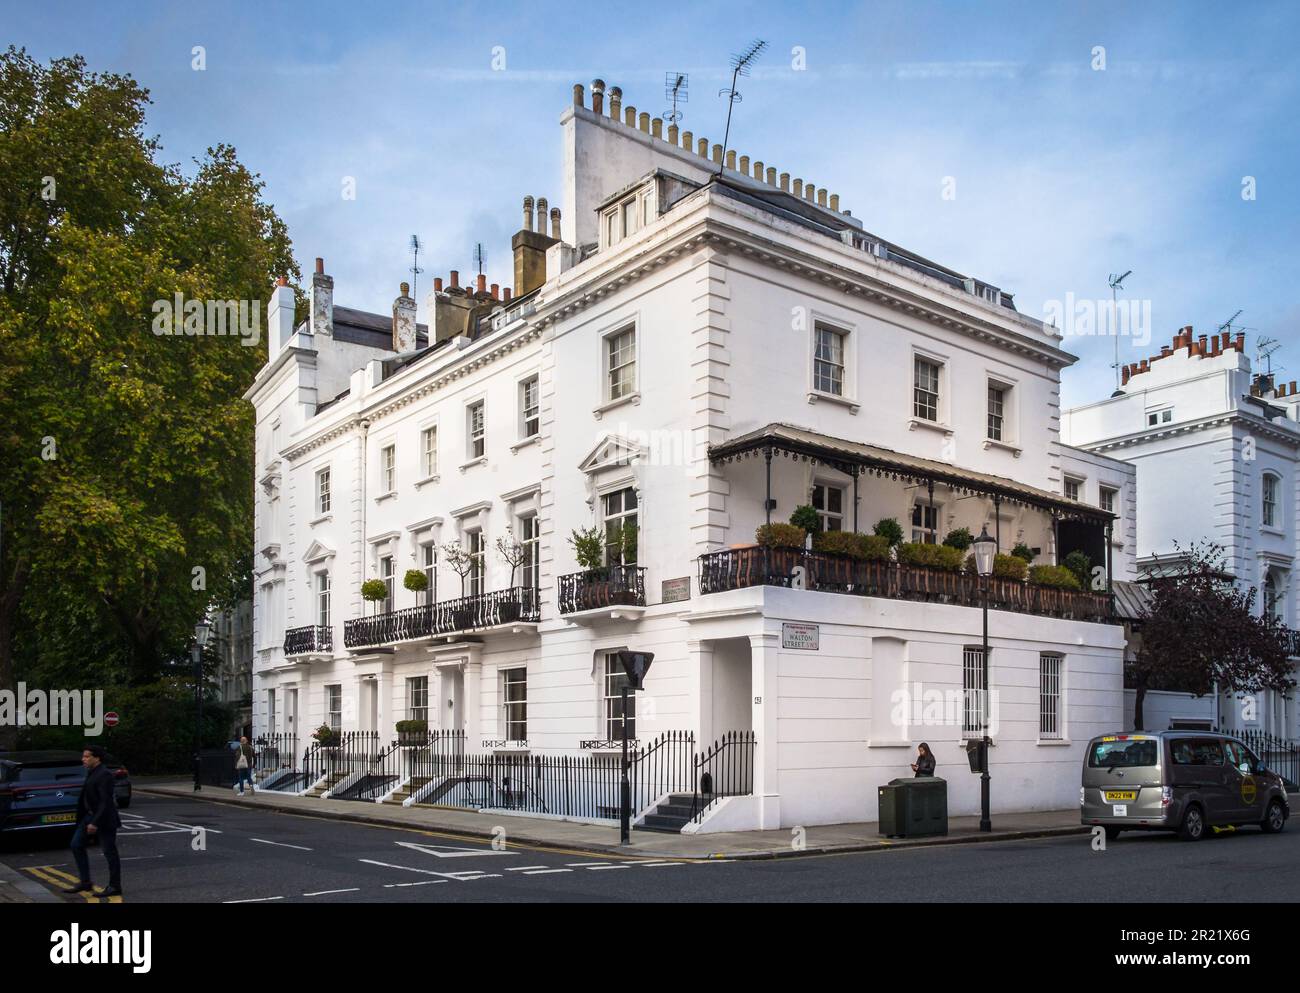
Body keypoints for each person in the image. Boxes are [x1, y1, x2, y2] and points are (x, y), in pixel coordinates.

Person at [66, 745, 122, 897]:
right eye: (83, 756)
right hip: (89, 816)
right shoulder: (92, 772)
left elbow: (106, 801)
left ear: (97, 758)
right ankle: (85, 882)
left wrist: (95, 822)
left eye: (86, 756)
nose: (83, 759)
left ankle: (115, 886)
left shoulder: (105, 774)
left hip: (104, 819)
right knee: (76, 845)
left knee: (109, 852)